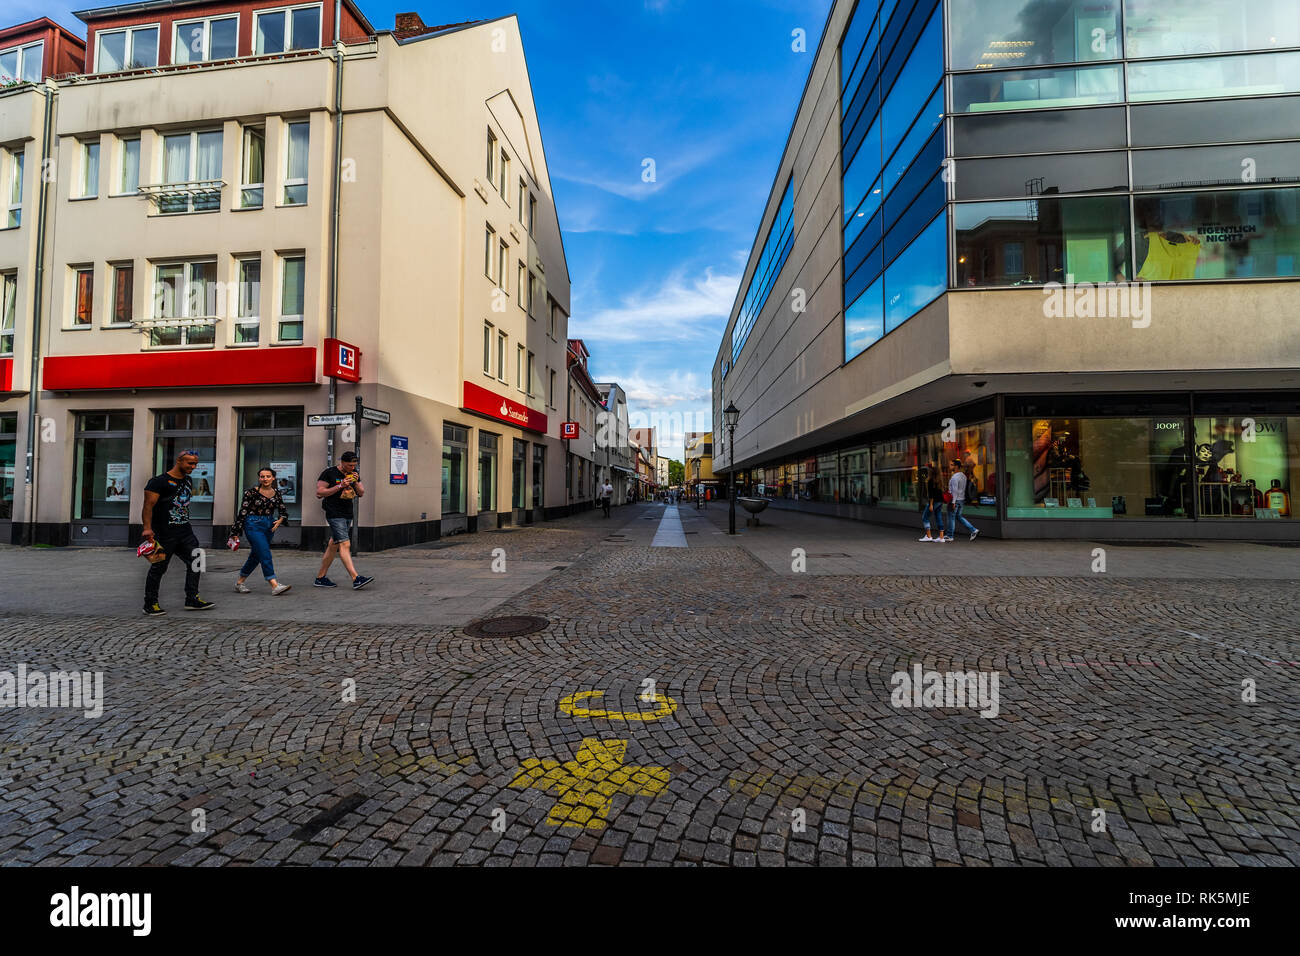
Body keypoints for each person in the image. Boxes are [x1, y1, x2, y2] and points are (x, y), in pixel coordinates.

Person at [141, 450, 216, 614]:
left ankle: (192, 598)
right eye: (190, 463)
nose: (193, 466)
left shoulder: (188, 480)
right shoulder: (158, 482)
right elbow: (148, 506)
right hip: (164, 533)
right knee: (159, 568)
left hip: (184, 531)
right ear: (179, 461)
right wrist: (147, 528)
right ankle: (150, 603)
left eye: (195, 463)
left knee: (197, 561)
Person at [315, 451, 374, 590]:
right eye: (349, 465)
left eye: (354, 465)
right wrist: (340, 485)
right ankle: (356, 578)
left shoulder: (354, 473)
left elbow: (361, 493)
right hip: (334, 513)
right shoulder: (329, 473)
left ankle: (320, 578)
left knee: (333, 546)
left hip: (347, 513)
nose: (352, 468)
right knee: (345, 544)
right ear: (342, 462)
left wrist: (356, 481)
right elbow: (319, 493)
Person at [232, 467, 293, 595]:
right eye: (262, 476)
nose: (265, 479)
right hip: (252, 524)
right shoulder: (251, 493)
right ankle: (274, 584)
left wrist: (281, 519)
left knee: (256, 555)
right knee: (264, 552)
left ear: (273, 478)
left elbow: (283, 511)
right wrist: (235, 532)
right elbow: (242, 512)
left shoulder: (277, 493)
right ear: (259, 478)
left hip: (269, 526)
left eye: (268, 476)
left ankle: (239, 583)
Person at [946, 458, 979, 541]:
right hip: (961, 500)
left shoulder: (954, 477)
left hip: (955, 500)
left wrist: (953, 502)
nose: (949, 466)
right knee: (958, 516)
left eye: (951, 465)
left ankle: (950, 536)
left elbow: (955, 491)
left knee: (951, 517)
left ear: (956, 466)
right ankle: (973, 530)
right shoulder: (963, 476)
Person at [918, 463, 947, 542]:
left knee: (925, 517)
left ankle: (928, 536)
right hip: (940, 501)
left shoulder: (930, 481)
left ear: (931, 472)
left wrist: (931, 505)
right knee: (938, 517)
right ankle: (941, 537)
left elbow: (931, 494)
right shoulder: (940, 481)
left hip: (934, 502)